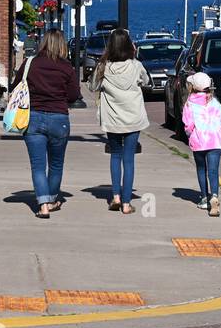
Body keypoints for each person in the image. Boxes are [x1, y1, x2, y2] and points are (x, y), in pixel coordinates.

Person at [13, 28, 80, 218]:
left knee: (38, 166)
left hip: (32, 117)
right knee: (56, 164)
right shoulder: (66, 67)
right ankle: (51, 200)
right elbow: (74, 95)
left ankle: (42, 205)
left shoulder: (30, 63)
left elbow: (15, 86)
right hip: (59, 118)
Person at [91, 28, 149, 215]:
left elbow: (93, 86)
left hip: (113, 118)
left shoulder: (103, 67)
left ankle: (115, 196)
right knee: (129, 159)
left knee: (115, 156)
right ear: (128, 45)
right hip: (133, 117)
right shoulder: (136, 65)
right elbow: (146, 81)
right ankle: (126, 203)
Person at [181, 71, 221, 217]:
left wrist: (190, 135)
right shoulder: (214, 102)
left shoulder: (189, 104)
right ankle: (214, 196)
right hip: (214, 141)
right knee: (213, 171)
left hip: (199, 142)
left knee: (201, 169)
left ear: (192, 87)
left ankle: (204, 198)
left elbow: (188, 125)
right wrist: (217, 131)